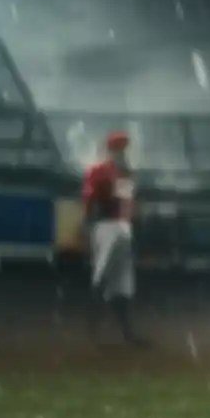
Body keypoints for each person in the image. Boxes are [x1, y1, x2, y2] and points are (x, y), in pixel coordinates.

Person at [82, 131, 147, 346]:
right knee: (102, 278)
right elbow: (93, 202)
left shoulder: (123, 173)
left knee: (121, 284)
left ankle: (127, 334)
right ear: (113, 149)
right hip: (107, 227)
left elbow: (125, 205)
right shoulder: (101, 171)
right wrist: (88, 225)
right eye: (120, 147)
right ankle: (92, 332)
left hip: (121, 227)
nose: (124, 152)